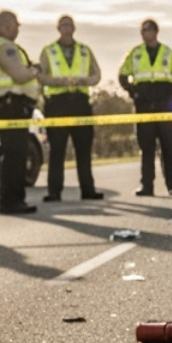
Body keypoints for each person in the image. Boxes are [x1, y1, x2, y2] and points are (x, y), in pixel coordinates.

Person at [38, 15, 104, 202]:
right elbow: (40, 76)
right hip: (57, 102)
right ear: (58, 28)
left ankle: (88, 189)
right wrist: (59, 81)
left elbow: (96, 75)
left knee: (84, 148)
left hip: (80, 102)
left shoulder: (84, 51)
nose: (66, 29)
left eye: (69, 25)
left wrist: (83, 81)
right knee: (57, 149)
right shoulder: (48, 51)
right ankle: (54, 191)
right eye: (63, 26)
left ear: (74, 28)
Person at [117, 19, 172, 196]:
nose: (145, 33)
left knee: (168, 147)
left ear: (156, 32)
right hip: (144, 105)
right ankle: (146, 186)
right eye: (143, 31)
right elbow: (123, 75)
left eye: (148, 30)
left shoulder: (167, 53)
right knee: (146, 148)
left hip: (164, 104)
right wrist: (134, 93)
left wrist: (168, 90)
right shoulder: (135, 53)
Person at [0, 10, 42, 214]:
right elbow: (19, 75)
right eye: (16, 25)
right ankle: (11, 200)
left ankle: (14, 199)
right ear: (5, 26)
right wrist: (35, 70)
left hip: (7, 105)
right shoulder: (5, 47)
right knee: (15, 154)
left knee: (13, 152)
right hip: (10, 105)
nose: (17, 29)